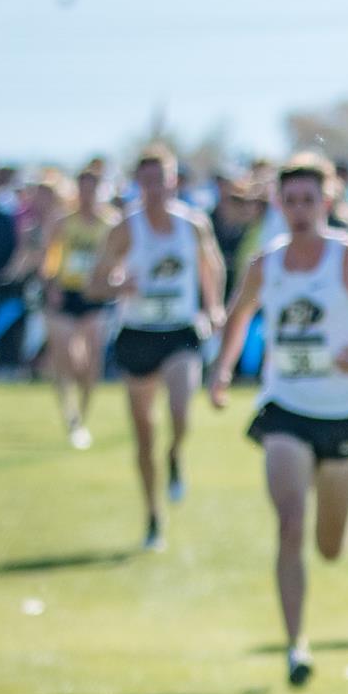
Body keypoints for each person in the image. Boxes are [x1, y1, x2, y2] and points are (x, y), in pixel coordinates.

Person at [210, 153, 348, 685]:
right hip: (285, 408)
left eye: (309, 200)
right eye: (290, 200)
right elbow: (237, 317)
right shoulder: (266, 264)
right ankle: (296, 646)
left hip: (343, 412)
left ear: (327, 202)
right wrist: (222, 373)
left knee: (329, 546)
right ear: (279, 204)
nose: (300, 210)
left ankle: (307, 607)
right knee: (290, 522)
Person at [87, 145, 225, 551]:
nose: (154, 189)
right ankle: (152, 515)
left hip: (180, 330)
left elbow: (212, 264)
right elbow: (95, 283)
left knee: (181, 411)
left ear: (173, 181)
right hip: (138, 333)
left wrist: (213, 306)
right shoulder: (125, 229)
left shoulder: (193, 225)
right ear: (137, 184)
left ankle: (177, 453)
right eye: (145, 181)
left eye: (160, 180)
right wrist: (118, 286)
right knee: (143, 433)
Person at [42, 162, 118, 449]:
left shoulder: (111, 223)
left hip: (96, 296)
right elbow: (50, 256)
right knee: (66, 359)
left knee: (90, 362)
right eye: (83, 189)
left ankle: (82, 417)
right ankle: (69, 414)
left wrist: (113, 280)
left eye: (93, 189)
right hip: (66, 294)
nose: (88, 195)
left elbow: (119, 258)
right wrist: (51, 286)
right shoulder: (64, 221)